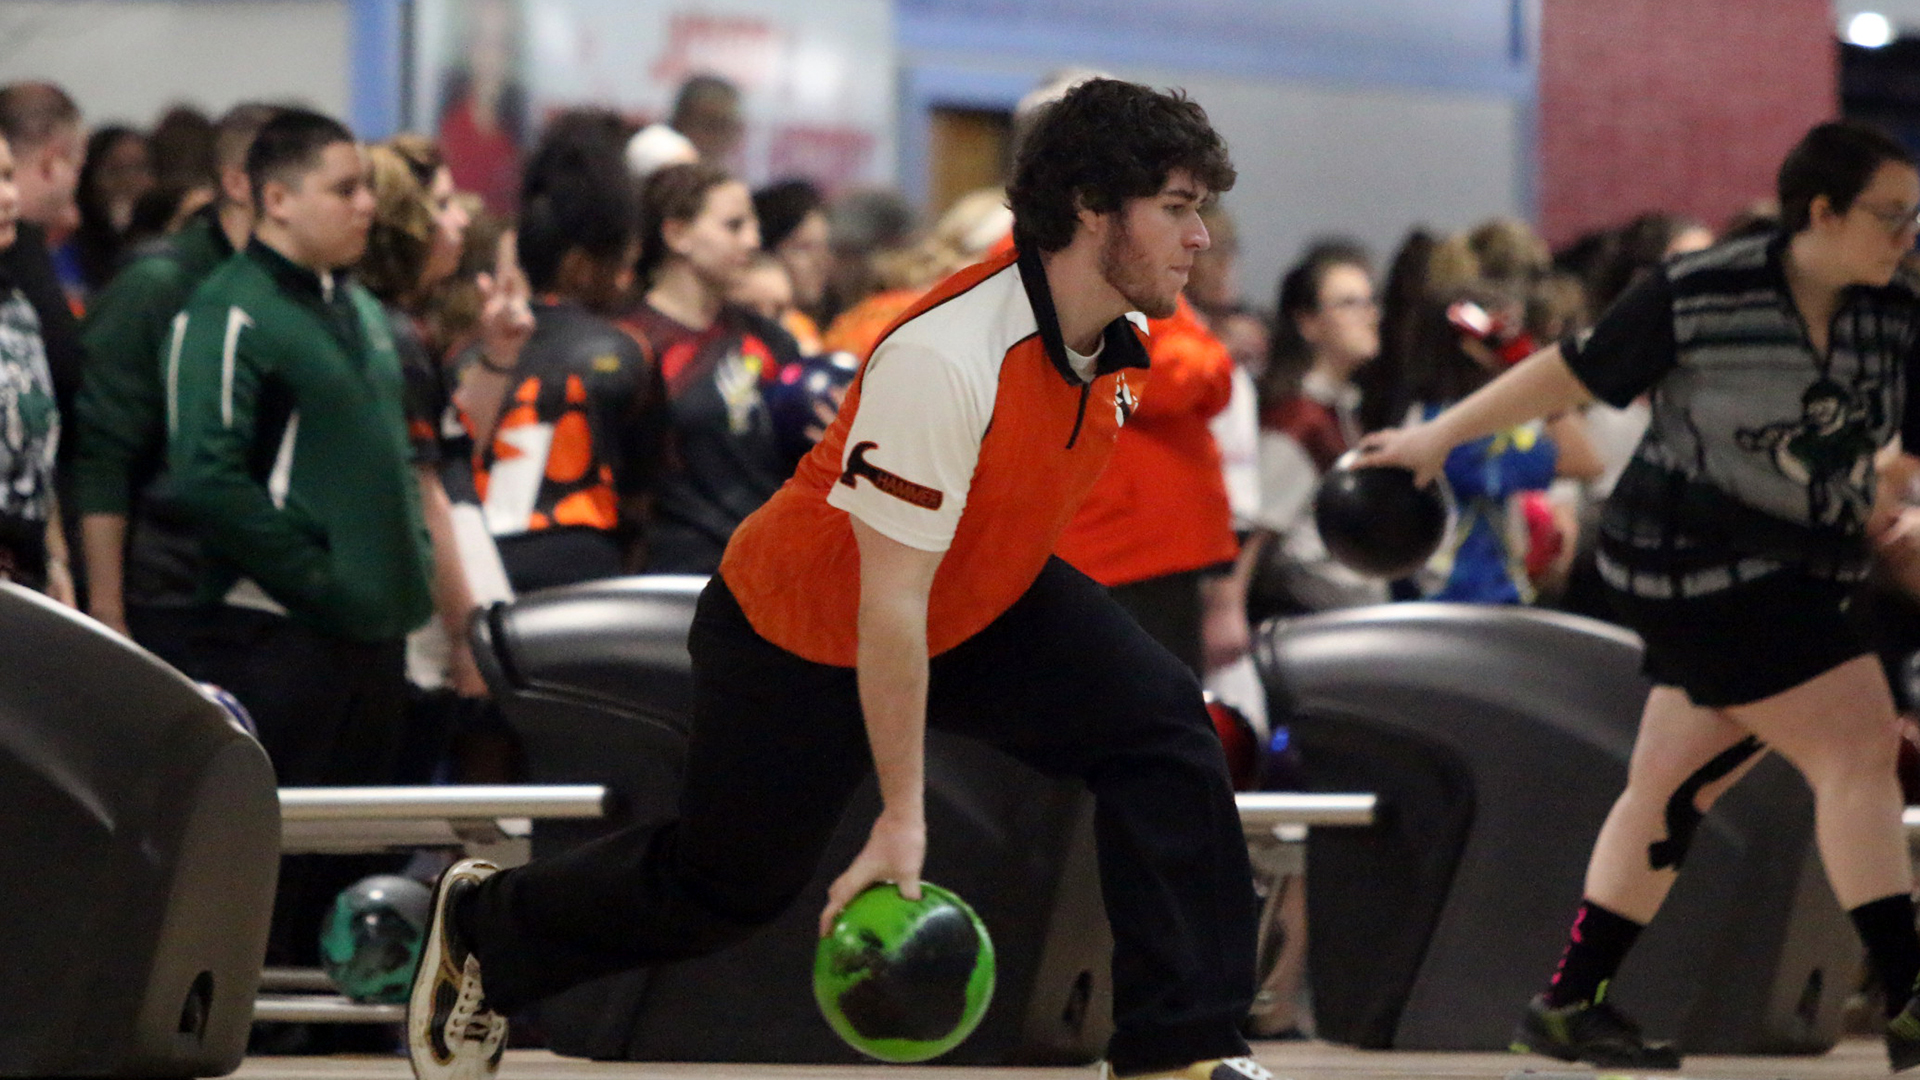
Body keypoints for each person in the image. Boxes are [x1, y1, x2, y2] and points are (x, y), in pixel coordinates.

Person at [407, 77, 1265, 1080]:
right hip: (804, 628)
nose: (1199, 237)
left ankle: (1179, 1050)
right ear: (1089, 207)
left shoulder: (1124, 336)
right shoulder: (947, 356)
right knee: (724, 889)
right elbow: (887, 605)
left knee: (1166, 724)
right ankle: (487, 923)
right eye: (1176, 207)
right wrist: (902, 820)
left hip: (978, 594)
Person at [1356, 118, 1920, 1071]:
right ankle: (1910, 994)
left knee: (1672, 783)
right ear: (1821, 213)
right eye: (1891, 215)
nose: (1907, 235)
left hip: (1799, 569)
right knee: (1860, 740)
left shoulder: (1894, 312)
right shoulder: (1703, 291)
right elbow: (1569, 372)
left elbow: (1890, 449)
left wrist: (1879, 486)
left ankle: (1571, 1002)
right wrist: (1435, 438)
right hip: (1686, 557)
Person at [166, 108, 434, 997]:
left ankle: (330, 1024)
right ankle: (264, 1025)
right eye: (344, 188)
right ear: (276, 199)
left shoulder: (358, 308)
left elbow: (388, 468)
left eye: (366, 188)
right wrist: (318, 577)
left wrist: (402, 575)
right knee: (275, 857)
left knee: (356, 859)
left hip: (372, 633)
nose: (366, 205)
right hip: (279, 634)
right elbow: (206, 477)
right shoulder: (228, 308)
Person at [74, 102, 277, 660]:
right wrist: (108, 616)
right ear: (239, 183)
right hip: (169, 594)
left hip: (265, 594)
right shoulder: (158, 283)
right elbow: (102, 458)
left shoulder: (293, 287)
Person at [466, 124, 665, 591]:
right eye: (618, 264)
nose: (625, 279)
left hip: (479, 568)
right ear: (580, 267)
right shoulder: (627, 350)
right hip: (583, 569)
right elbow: (644, 490)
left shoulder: (466, 353)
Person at [621, 161, 802, 573]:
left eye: (753, 226)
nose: (753, 241)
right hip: (673, 569)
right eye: (734, 226)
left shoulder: (772, 341)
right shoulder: (630, 344)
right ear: (677, 235)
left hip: (767, 567)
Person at [0, 131, 66, 599]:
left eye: (7, 176)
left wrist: (55, 558)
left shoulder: (17, 306)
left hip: (23, 574)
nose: (9, 196)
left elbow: (38, 447)